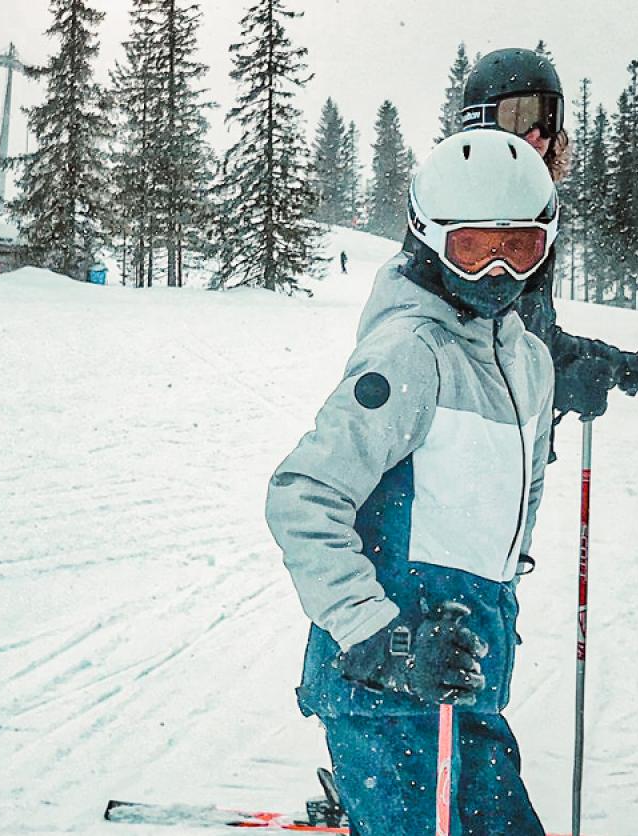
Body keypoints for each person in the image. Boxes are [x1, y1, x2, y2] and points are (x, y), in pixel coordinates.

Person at [267, 129, 557, 835]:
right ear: (429, 239)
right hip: (384, 698)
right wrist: (379, 638)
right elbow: (301, 498)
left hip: (468, 685)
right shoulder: (410, 354)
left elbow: (519, 502)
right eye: (473, 248)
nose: (497, 273)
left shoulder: (531, 365)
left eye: (517, 248)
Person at [461, 48, 638, 422]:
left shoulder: (531, 216)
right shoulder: (459, 212)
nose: (537, 133)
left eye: (547, 116)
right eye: (519, 115)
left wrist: (631, 366)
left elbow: (534, 341)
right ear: (483, 120)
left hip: (515, 455)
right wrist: (553, 382)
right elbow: (453, 352)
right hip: (465, 460)